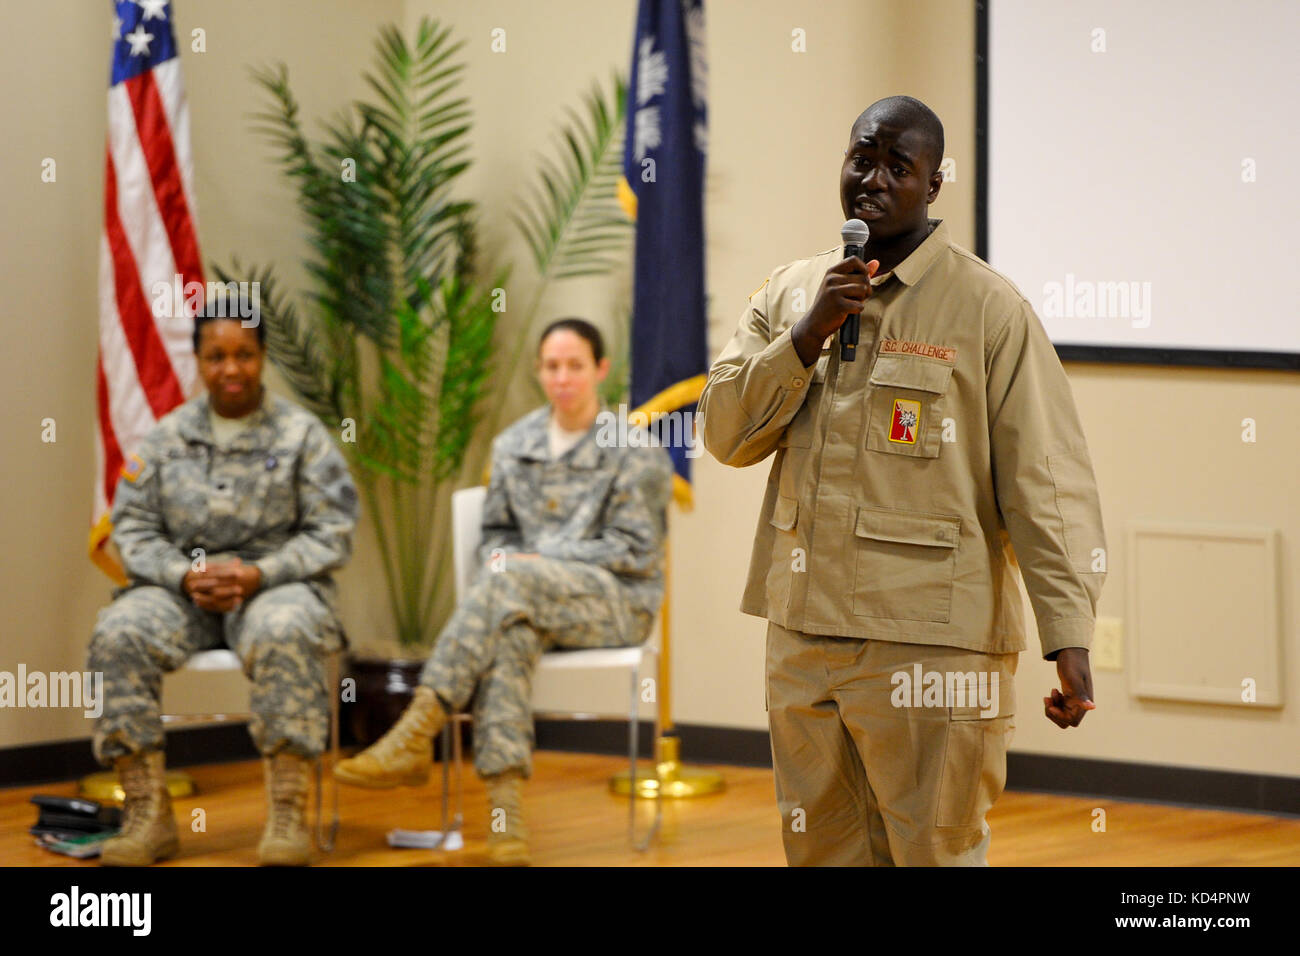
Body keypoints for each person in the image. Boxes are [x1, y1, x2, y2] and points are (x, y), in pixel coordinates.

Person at [696, 95, 1107, 866]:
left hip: (933, 645)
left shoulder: (989, 309)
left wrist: (1070, 635)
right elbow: (721, 432)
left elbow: (1046, 482)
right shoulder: (792, 293)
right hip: (803, 639)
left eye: (898, 166)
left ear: (934, 184)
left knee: (933, 855)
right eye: (862, 158)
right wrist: (803, 338)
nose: (873, 180)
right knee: (823, 855)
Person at [335, 318, 673, 866]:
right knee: (510, 629)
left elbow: (636, 551)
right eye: (552, 366)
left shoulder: (634, 448)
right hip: (524, 601)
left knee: (510, 582)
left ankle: (417, 730)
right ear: (539, 371)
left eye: (575, 366)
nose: (563, 377)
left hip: (615, 604)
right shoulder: (514, 445)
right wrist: (515, 565)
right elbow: (492, 542)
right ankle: (506, 820)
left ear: (600, 371)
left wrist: (541, 560)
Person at [88, 297, 358, 866]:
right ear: (198, 361)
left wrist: (262, 572)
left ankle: (287, 813)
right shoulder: (165, 439)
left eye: (244, 354)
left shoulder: (301, 435)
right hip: (182, 589)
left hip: (272, 583)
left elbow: (333, 530)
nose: (230, 368)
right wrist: (183, 576)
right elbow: (133, 528)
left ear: (263, 356)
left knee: (288, 626)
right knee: (119, 632)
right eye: (216, 356)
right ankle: (147, 814)